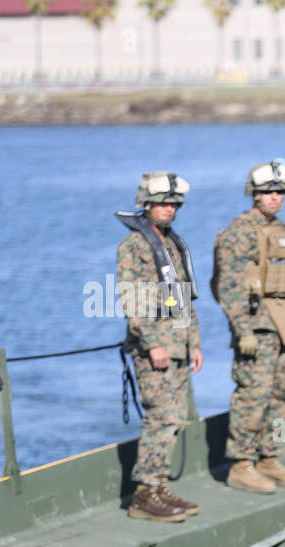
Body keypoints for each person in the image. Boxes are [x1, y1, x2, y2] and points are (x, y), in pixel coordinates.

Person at [213, 160, 285, 494]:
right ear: (254, 193)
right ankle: (241, 464)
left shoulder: (283, 230)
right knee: (252, 397)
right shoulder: (240, 231)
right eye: (268, 191)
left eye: (280, 192)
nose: (274, 197)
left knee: (281, 397)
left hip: (284, 328)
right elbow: (228, 286)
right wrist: (243, 330)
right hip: (257, 327)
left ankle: (270, 455)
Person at [117, 171, 203, 522]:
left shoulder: (171, 244)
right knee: (161, 416)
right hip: (154, 349)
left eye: (173, 203)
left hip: (178, 344)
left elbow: (181, 298)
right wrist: (153, 344)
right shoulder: (134, 247)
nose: (168, 209)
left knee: (175, 418)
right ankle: (144, 493)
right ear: (146, 204)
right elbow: (132, 301)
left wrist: (193, 341)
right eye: (161, 203)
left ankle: (159, 486)